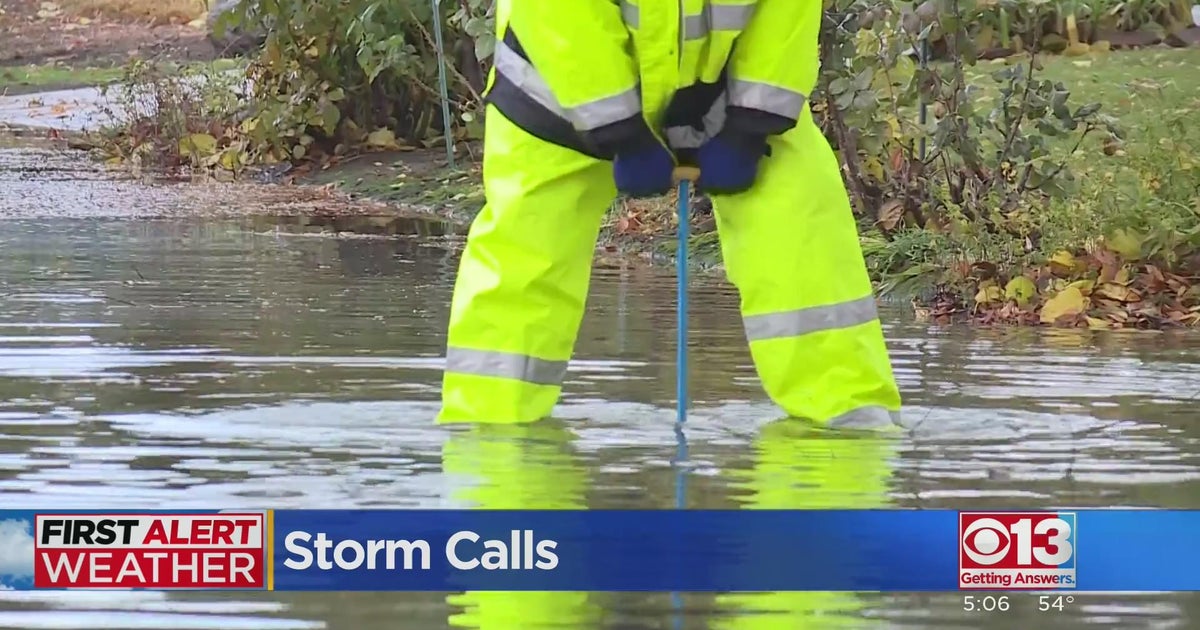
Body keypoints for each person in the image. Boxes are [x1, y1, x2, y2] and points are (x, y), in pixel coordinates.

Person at [437, 0, 903, 428]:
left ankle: (848, 423)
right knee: (528, 253)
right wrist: (621, 131)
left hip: (723, 83)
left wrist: (751, 124)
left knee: (803, 234)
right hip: (559, 87)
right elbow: (561, 16)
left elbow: (786, 12)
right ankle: (489, 430)